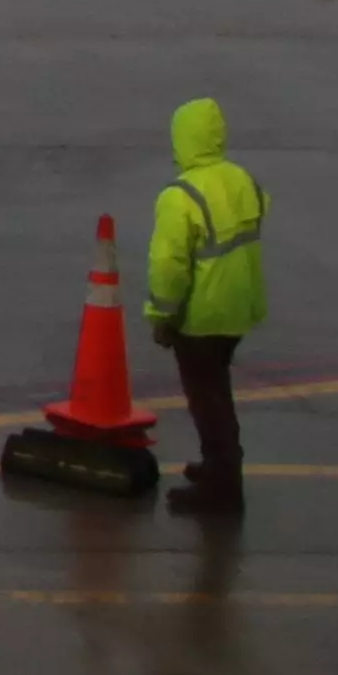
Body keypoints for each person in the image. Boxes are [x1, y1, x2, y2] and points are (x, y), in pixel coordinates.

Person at [143, 96, 266, 516]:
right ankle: (220, 466)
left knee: (206, 399)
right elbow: (260, 210)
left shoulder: (180, 196)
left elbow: (169, 267)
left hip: (201, 317)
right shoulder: (242, 179)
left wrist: (162, 317)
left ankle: (223, 485)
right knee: (218, 389)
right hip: (238, 310)